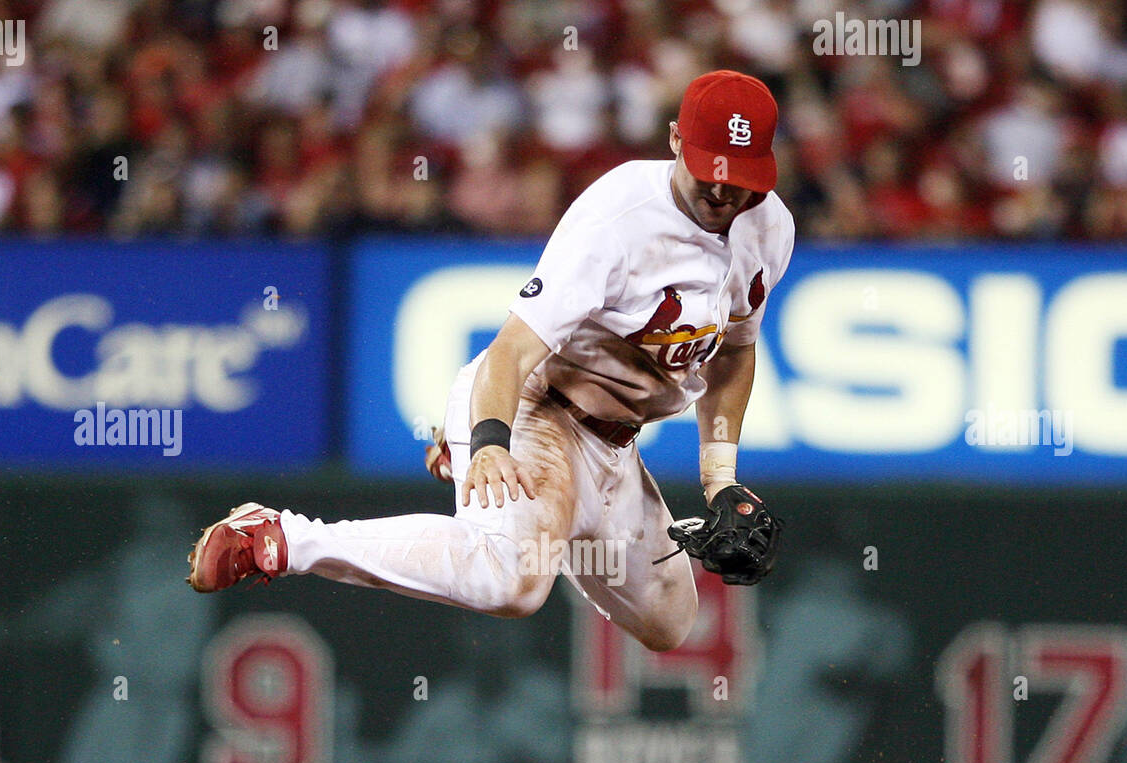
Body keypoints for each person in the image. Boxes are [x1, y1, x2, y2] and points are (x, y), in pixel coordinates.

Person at [184, 71, 792, 652]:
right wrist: (490, 441)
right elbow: (511, 352)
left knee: (671, 622)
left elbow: (736, 350)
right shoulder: (616, 222)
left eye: (740, 175)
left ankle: (545, 518)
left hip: (616, 446)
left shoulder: (769, 228)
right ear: (675, 141)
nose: (723, 189)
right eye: (710, 168)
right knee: (513, 580)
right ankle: (282, 537)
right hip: (538, 409)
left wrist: (720, 480)